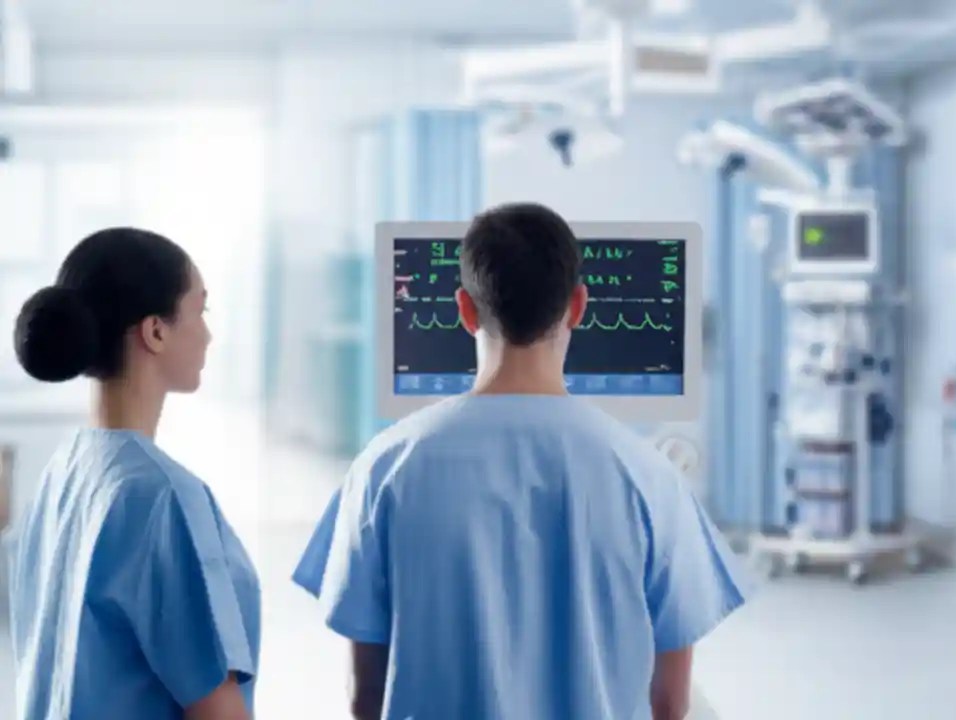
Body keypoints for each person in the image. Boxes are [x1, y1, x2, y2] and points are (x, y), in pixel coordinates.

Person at [293, 203, 751, 720]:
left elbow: (365, 699)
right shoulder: (650, 478)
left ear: (464, 310)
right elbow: (669, 705)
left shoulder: (385, 470)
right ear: (578, 307)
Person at [7, 228, 260, 720]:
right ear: (156, 331)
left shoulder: (63, 473)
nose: (207, 334)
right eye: (200, 311)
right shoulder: (161, 496)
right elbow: (216, 708)